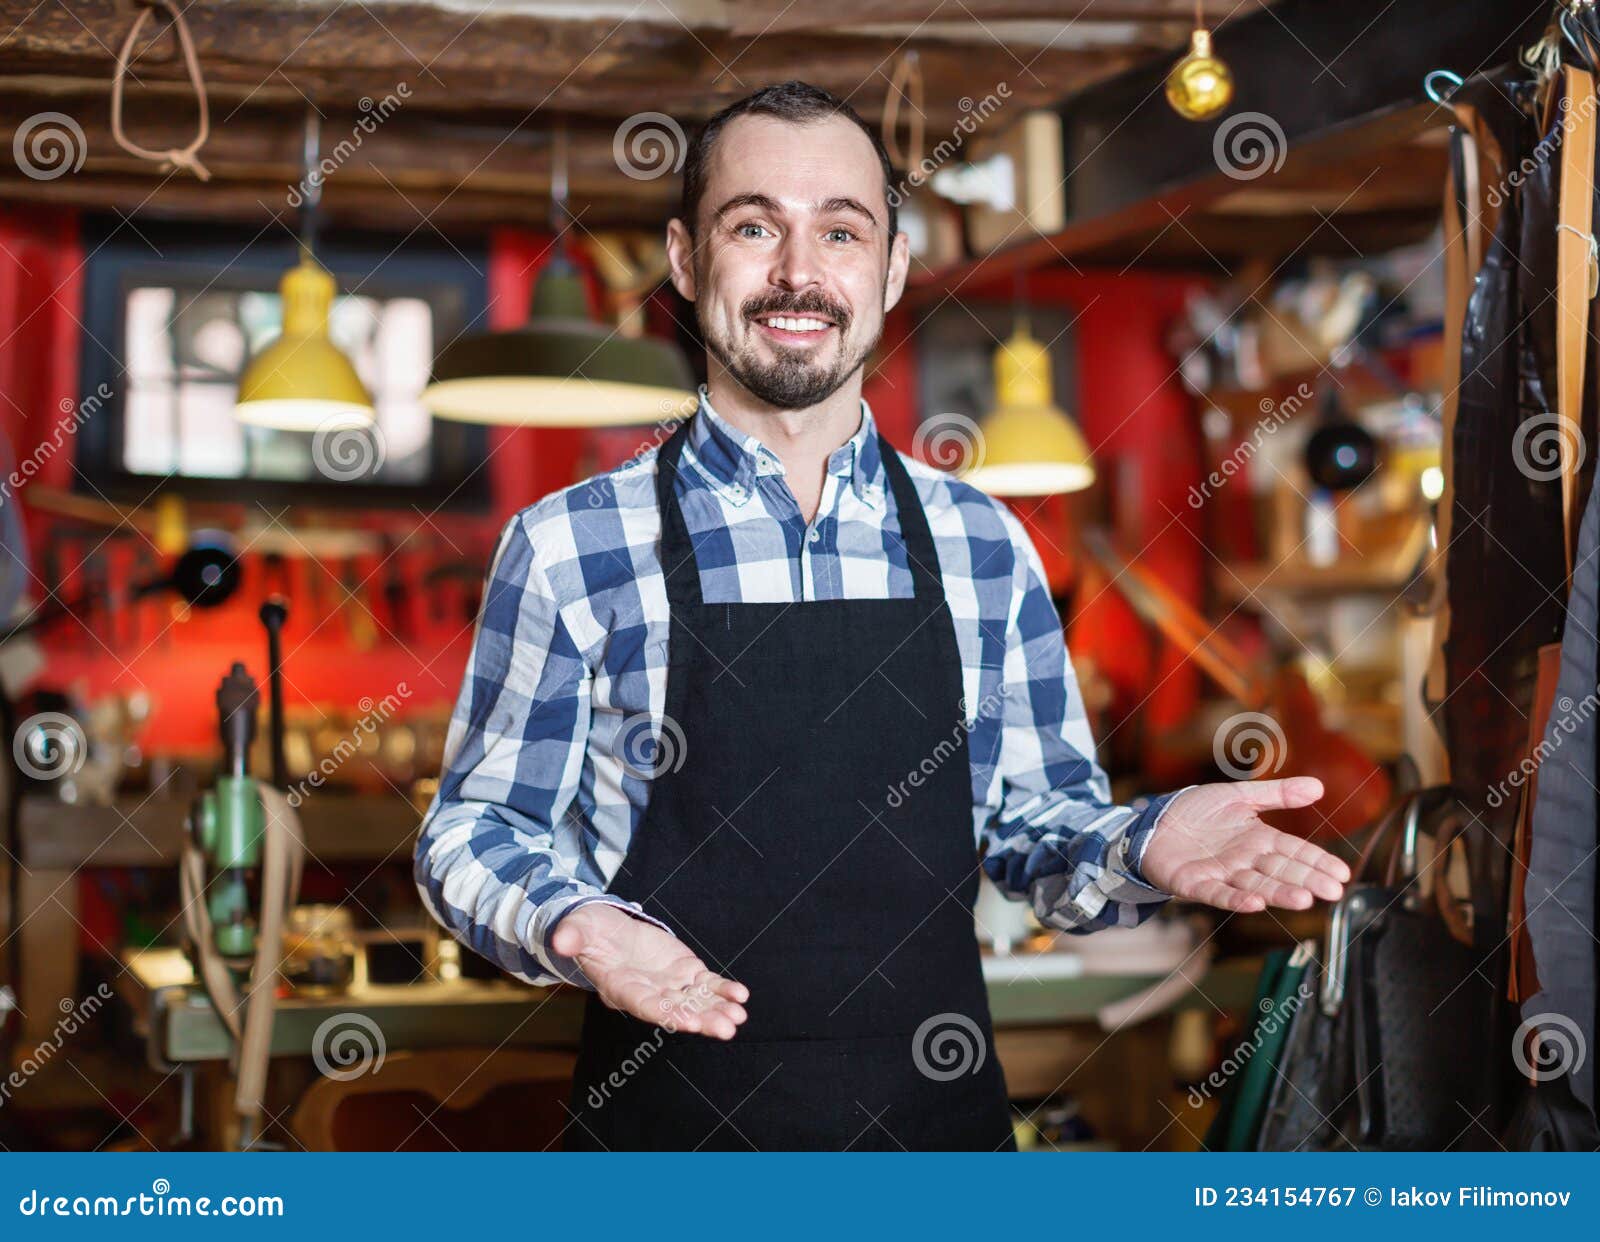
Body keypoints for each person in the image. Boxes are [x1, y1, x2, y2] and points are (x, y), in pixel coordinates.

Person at [414, 80, 1349, 1151]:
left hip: (932, 1144)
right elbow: (473, 833)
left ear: (893, 268)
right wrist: (575, 923)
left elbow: (1035, 832)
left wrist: (1141, 844)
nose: (798, 274)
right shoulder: (569, 546)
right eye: (753, 226)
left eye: (841, 231)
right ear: (684, 259)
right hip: (664, 1144)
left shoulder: (981, 545)